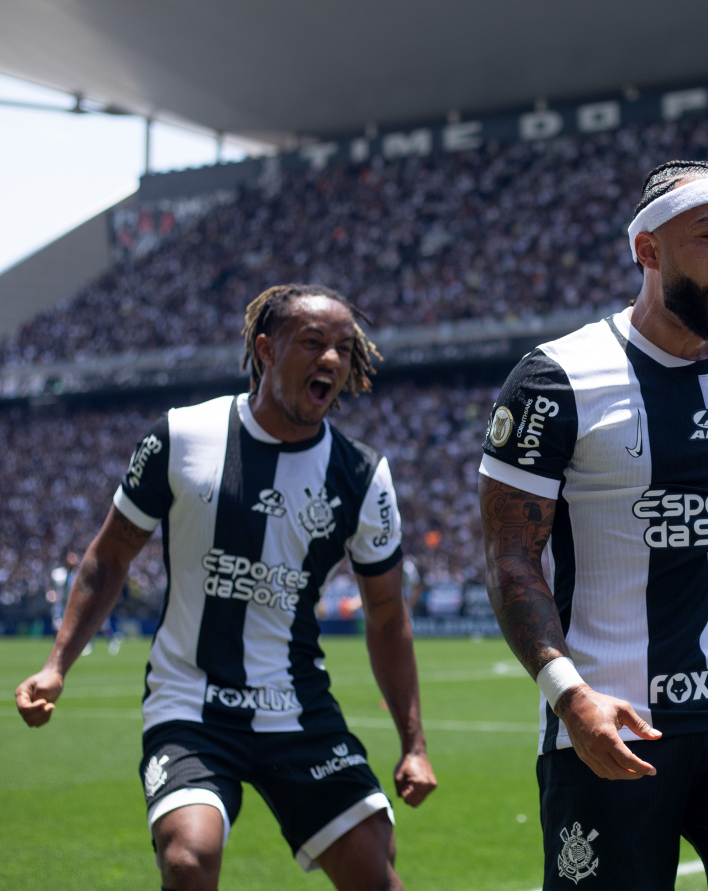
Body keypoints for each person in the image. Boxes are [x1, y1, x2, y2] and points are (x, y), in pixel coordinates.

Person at [479, 161, 708, 891]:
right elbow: (509, 559)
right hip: (609, 726)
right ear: (647, 250)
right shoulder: (555, 380)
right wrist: (569, 696)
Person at [17, 283, 437, 891]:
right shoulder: (182, 438)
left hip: (296, 708)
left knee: (374, 865)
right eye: (312, 343)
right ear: (265, 350)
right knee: (189, 858)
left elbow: (387, 615)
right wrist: (58, 664)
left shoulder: (362, 475)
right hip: (191, 702)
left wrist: (414, 743)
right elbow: (110, 556)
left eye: (344, 350)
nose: (332, 361)